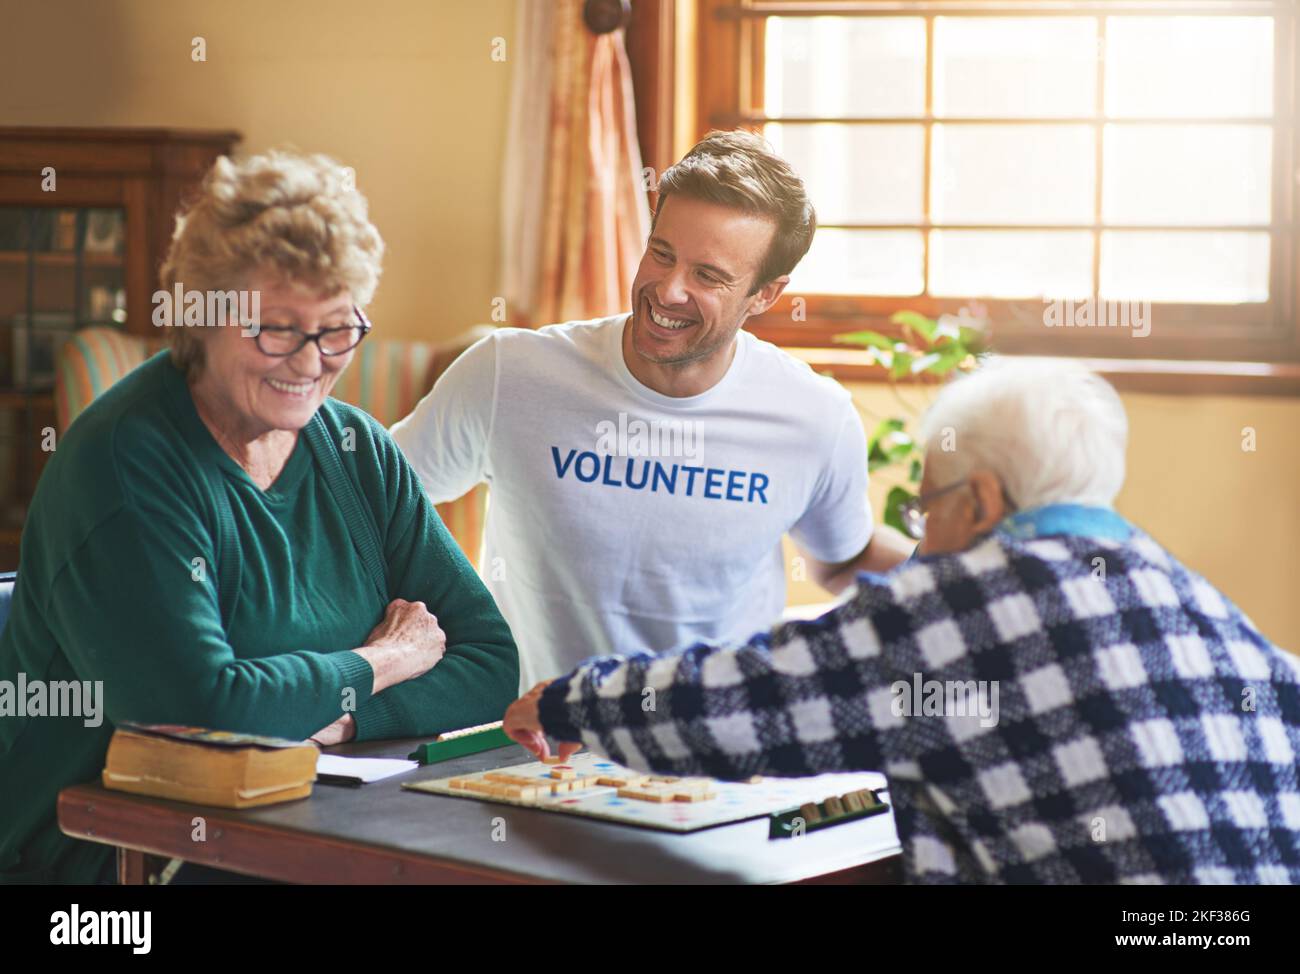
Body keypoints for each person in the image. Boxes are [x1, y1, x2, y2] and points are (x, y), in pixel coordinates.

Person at [503, 359, 1300, 885]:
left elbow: (746, 704)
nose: (921, 539)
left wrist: (569, 702)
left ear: (981, 500)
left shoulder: (966, 603)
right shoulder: (1198, 601)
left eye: (928, 509)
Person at [0, 150, 518, 884]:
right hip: (105, 865)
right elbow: (202, 711)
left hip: (327, 825)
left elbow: (491, 662)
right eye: (276, 329)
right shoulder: (123, 466)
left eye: (336, 328)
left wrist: (336, 716)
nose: (309, 362)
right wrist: (384, 662)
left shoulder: (356, 450)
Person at [392, 130, 913, 690]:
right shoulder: (509, 372)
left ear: (765, 294)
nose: (668, 291)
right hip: (533, 730)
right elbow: (366, 506)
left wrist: (963, 586)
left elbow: (844, 561)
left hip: (714, 730)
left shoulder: (816, 417)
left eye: (708, 276)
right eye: (661, 254)